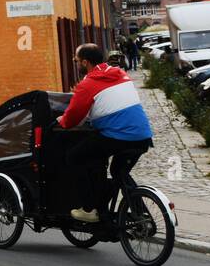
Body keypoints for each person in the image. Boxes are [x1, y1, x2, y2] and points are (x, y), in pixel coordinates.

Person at [57, 44, 154, 223]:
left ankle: (89, 209)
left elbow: (72, 119)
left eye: (76, 61)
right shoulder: (120, 74)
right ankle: (140, 216)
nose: (75, 64)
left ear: (85, 62)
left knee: (74, 157)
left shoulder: (88, 84)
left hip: (118, 137)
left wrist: (61, 121)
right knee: (119, 172)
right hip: (143, 136)